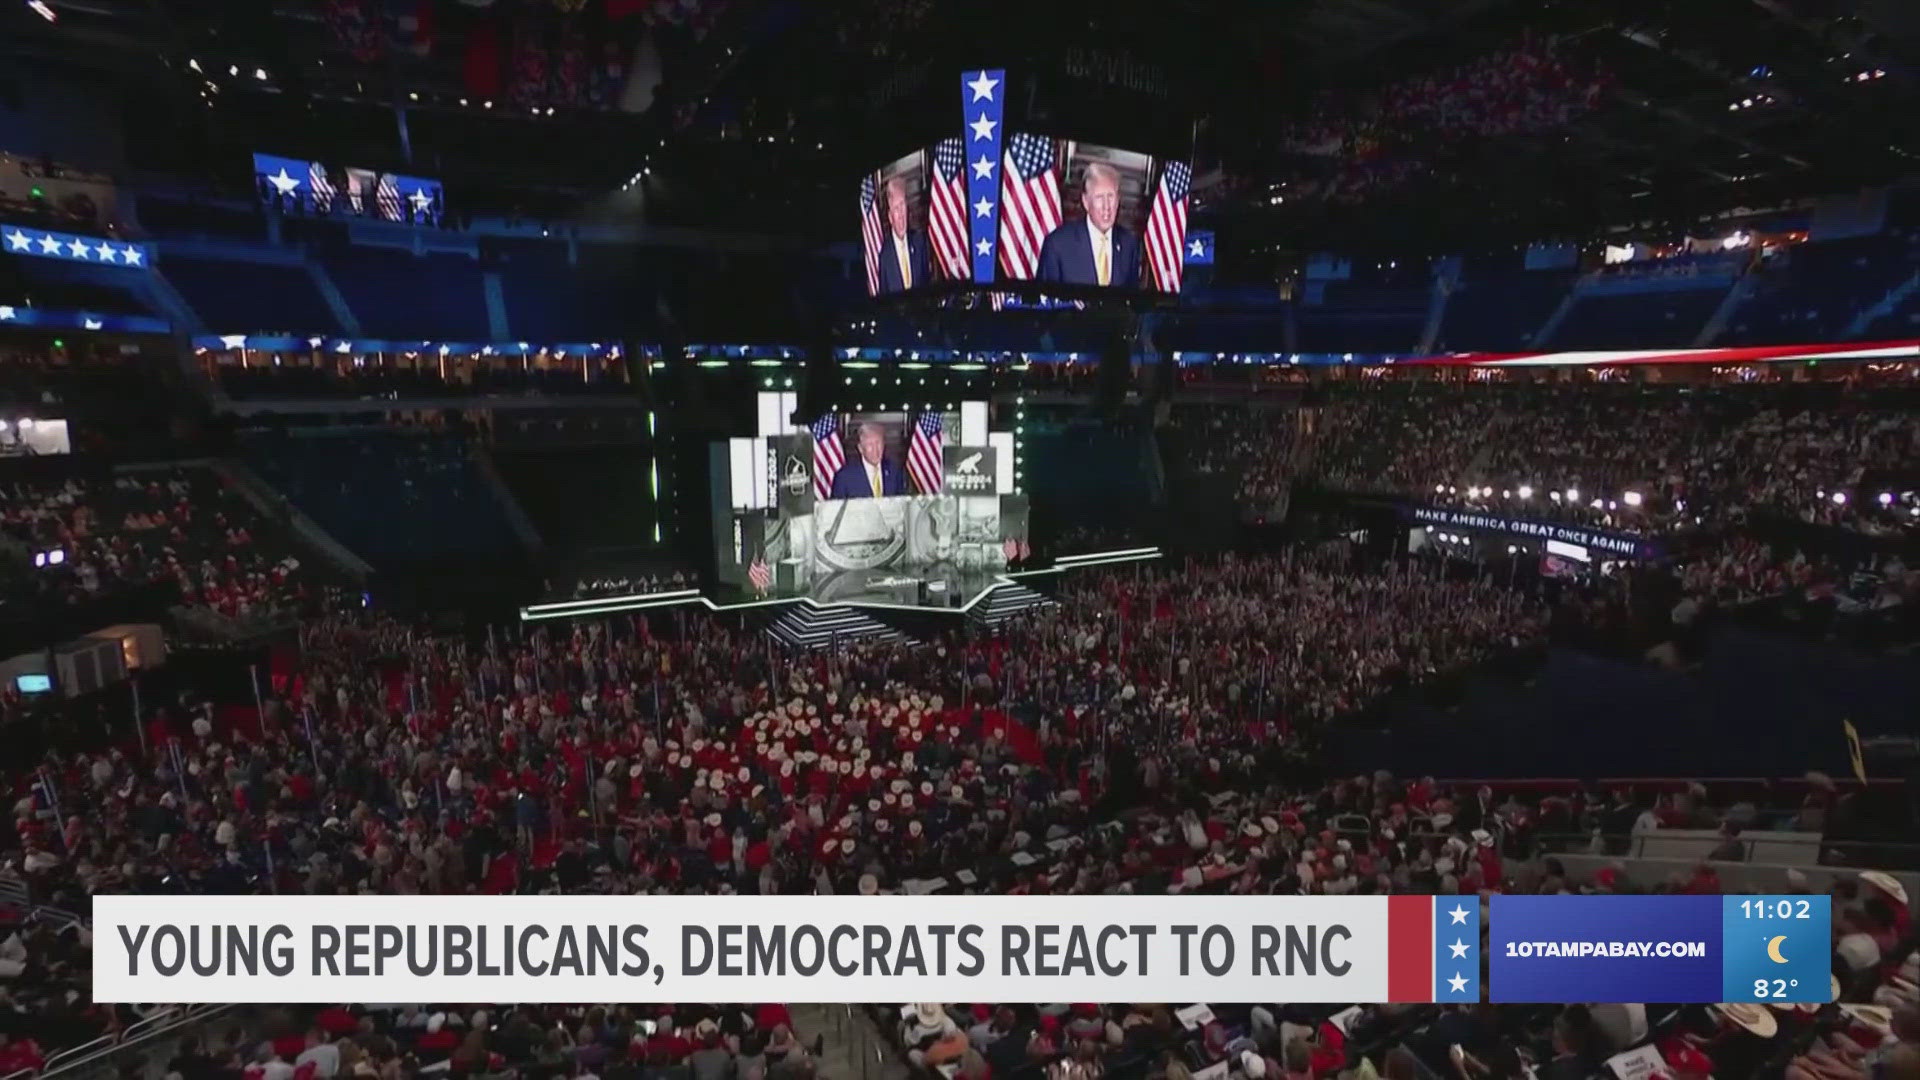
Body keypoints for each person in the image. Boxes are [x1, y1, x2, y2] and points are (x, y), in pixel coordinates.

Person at [1037, 162, 1141, 287]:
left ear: (1118, 199)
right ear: (1086, 202)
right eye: (1099, 197)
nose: (1106, 206)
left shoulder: (1129, 243)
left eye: (1111, 196)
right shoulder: (1057, 244)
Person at [875, 176, 929, 294]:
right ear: (890, 217)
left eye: (902, 205)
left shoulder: (920, 242)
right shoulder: (884, 258)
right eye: (896, 209)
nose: (901, 214)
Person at [829, 422, 907, 498]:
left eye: (878, 443)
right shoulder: (844, 477)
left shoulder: (895, 470)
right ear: (860, 448)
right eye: (870, 445)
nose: (875, 450)